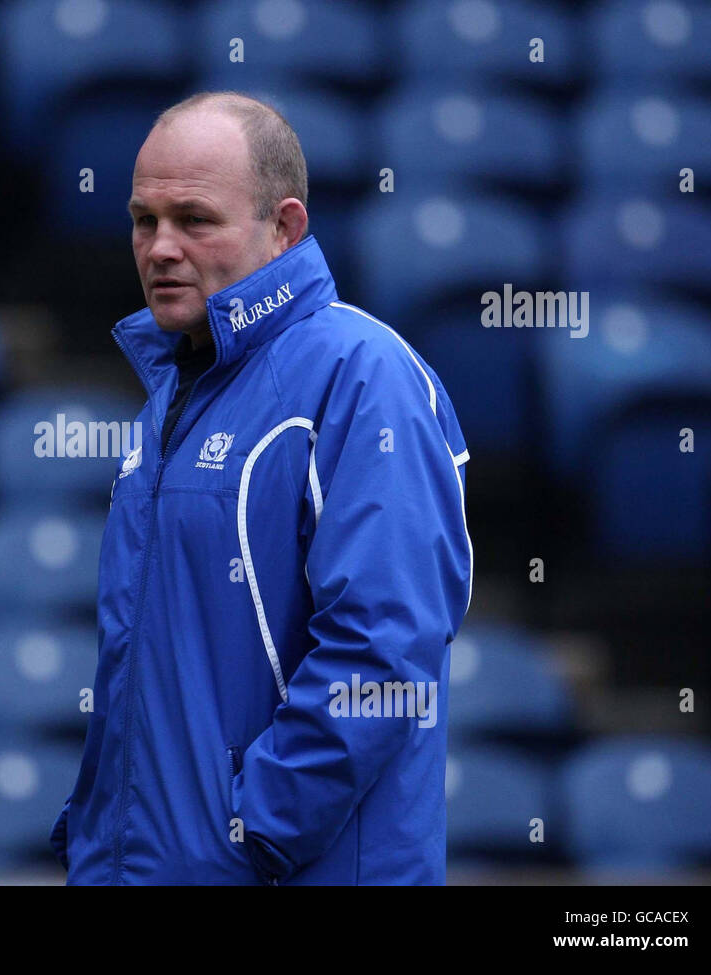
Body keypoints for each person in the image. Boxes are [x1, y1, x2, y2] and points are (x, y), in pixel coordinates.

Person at [48, 91, 474, 884]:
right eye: (144, 220)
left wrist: (253, 832)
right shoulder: (171, 397)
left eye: (194, 219)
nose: (160, 247)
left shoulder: (362, 376)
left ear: (284, 227)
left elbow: (381, 655)